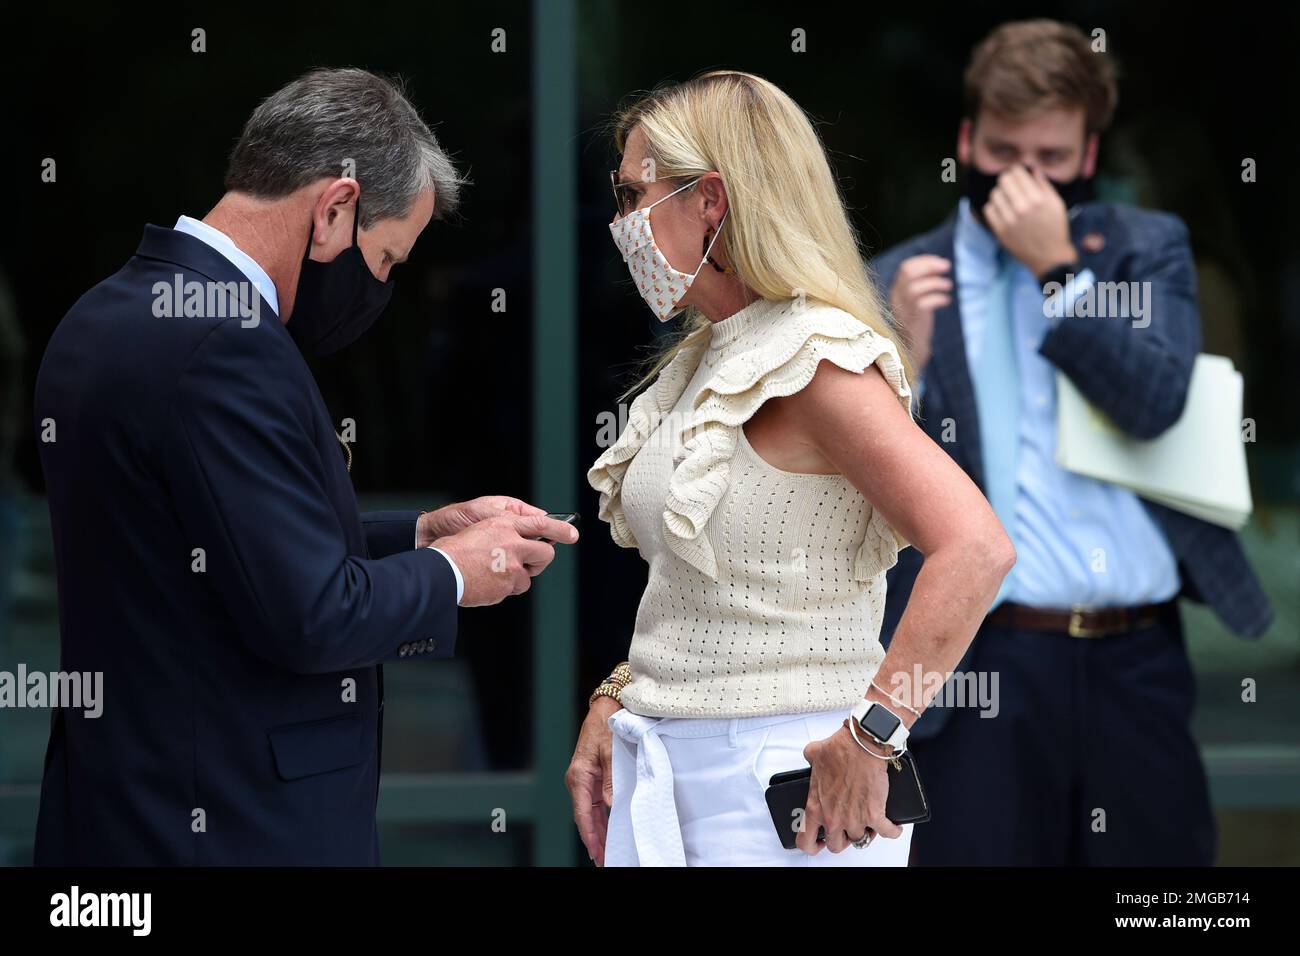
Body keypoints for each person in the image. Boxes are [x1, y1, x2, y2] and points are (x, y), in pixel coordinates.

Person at [32, 68, 578, 865]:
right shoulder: (228, 346)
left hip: (120, 811)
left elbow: (212, 544)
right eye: (387, 258)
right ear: (335, 209)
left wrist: (420, 532)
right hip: (229, 824)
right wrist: (454, 573)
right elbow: (311, 616)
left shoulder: (107, 312)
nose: (380, 287)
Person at [567, 71, 1015, 867]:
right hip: (675, 767)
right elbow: (713, 587)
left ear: (710, 200)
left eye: (633, 192)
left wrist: (877, 733)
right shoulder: (709, 352)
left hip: (790, 780)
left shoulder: (817, 360)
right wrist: (617, 697)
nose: (621, 220)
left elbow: (976, 548)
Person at [871, 20, 1273, 866]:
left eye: (1049, 160)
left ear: (1088, 156)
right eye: (1002, 150)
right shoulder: (897, 280)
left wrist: (1061, 274)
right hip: (979, 660)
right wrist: (902, 364)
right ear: (966, 140)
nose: (1021, 179)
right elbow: (859, 496)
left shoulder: (1142, 252)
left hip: (1133, 659)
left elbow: (1155, 402)